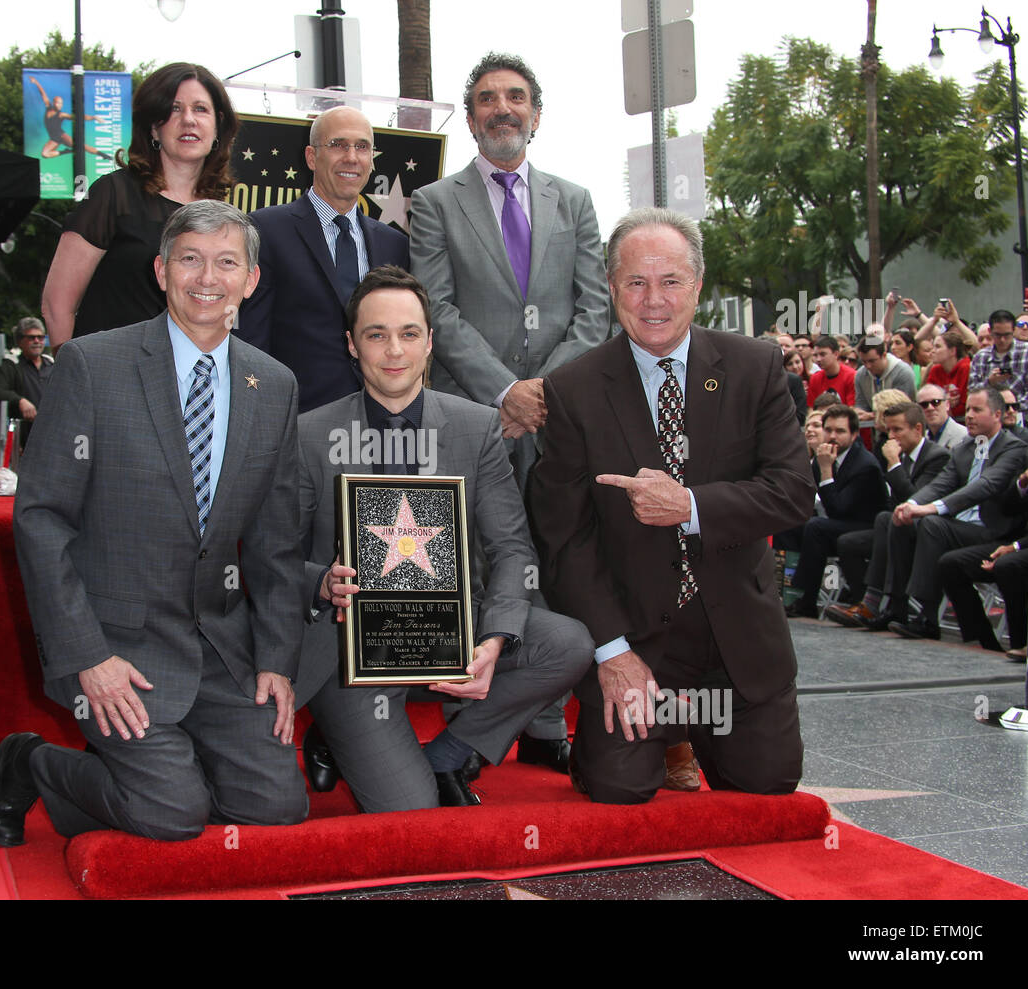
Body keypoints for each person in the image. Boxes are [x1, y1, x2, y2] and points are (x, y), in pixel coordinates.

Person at [0, 201, 307, 846]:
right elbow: (41, 519)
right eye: (189, 259)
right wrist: (88, 656)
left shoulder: (277, 384)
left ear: (251, 280)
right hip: (115, 645)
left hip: (219, 652)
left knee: (275, 809)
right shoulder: (92, 366)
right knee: (169, 815)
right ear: (161, 270)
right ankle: (31, 761)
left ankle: (165, 766)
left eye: (226, 262)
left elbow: (277, 540)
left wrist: (277, 660)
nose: (206, 277)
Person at [528, 207, 813, 805]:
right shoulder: (574, 390)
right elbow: (564, 540)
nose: (653, 300)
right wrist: (610, 652)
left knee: (768, 783)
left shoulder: (755, 367)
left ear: (698, 286)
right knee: (619, 788)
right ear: (611, 289)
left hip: (736, 640)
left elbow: (792, 491)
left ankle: (687, 733)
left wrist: (689, 505)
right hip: (637, 641)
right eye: (635, 282)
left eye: (670, 281)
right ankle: (645, 739)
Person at [293, 266, 594, 810]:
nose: (394, 350)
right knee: (411, 811)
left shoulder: (476, 427)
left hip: (453, 624)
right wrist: (321, 582)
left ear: (430, 342)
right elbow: (273, 557)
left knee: (567, 643)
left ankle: (453, 751)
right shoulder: (309, 435)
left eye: (409, 333)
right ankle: (336, 733)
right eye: (375, 334)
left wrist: (495, 639)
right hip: (348, 650)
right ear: (351, 345)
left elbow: (512, 549)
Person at [409, 51, 610, 485]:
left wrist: (540, 394)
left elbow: (595, 309)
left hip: (561, 420)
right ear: (470, 120)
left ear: (535, 115)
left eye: (516, 97)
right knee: (472, 551)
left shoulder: (575, 203)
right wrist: (506, 391)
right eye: (487, 99)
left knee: (562, 549)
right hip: (473, 417)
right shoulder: (434, 203)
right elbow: (436, 311)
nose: (502, 108)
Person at [42, 63, 238, 348]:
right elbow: (56, 304)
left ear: (218, 125)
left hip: (189, 383)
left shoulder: (225, 215)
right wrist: (73, 382)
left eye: (200, 109)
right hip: (111, 377)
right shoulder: (113, 194)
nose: (188, 120)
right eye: (173, 109)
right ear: (153, 128)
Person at [237, 105, 409, 412]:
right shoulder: (265, 230)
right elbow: (251, 341)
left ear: (372, 160)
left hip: (380, 422)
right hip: (297, 419)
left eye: (362, 147)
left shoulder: (395, 244)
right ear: (311, 157)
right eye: (338, 145)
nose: (351, 157)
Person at [882, 387, 1027, 640]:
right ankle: (897, 607)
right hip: (961, 527)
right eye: (968, 409)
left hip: (992, 530)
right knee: (898, 519)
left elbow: (985, 486)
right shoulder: (964, 448)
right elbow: (941, 484)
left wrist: (929, 508)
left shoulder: (1013, 448)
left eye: (977, 410)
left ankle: (927, 616)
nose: (968, 415)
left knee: (932, 523)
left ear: (997, 414)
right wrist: (912, 503)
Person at [826, 401, 949, 625]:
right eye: (889, 429)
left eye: (898, 429)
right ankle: (866, 600)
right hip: (896, 526)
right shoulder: (898, 453)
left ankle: (877, 603)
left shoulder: (936, 457)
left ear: (918, 429)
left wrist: (893, 463)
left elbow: (918, 499)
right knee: (849, 542)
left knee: (886, 520)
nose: (891, 436)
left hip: (927, 529)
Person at [775, 404, 886, 619]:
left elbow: (839, 509)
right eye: (829, 429)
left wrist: (826, 470)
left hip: (866, 526)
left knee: (816, 528)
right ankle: (786, 593)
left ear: (854, 435)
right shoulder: (823, 457)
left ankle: (806, 599)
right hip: (836, 524)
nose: (833, 436)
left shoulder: (865, 465)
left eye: (840, 431)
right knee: (788, 525)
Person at [938, 456, 1028, 654]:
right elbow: (1008, 509)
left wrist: (1015, 547)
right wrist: (1022, 484)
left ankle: (1021, 644)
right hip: (1017, 539)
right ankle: (983, 641)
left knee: (1008, 565)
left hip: (1021, 546)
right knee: (952, 564)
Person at [0, 317, 54, 453]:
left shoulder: (52, 364)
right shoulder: (11, 365)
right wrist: (19, 401)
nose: (37, 341)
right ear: (19, 341)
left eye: (40, 337)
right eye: (31, 337)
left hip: (51, 435)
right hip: (22, 440)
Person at [27, 75, 113, 161]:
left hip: (61, 136)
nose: (60, 105)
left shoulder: (61, 115)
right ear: (54, 103)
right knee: (45, 154)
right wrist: (36, 82)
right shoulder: (48, 107)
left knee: (82, 147)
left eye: (61, 104)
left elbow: (79, 117)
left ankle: (104, 155)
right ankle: (66, 151)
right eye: (58, 103)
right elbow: (43, 94)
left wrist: (94, 117)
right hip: (54, 139)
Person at [968, 310, 1028, 417]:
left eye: (1007, 335)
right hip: (989, 417)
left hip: (1023, 416)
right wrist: (989, 382)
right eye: (998, 335)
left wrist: (1011, 409)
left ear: (1014, 330)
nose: (1002, 340)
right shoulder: (981, 357)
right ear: (990, 331)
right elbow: (972, 393)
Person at [854, 330, 916, 427]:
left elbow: (902, 409)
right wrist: (859, 412)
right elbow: (861, 403)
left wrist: (872, 415)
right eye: (864, 362)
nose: (868, 366)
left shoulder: (903, 373)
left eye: (872, 361)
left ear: (884, 355)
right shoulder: (860, 374)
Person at [924, 329, 971, 420]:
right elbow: (927, 401)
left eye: (937, 347)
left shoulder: (966, 368)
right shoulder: (935, 370)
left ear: (952, 351)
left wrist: (941, 404)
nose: (932, 351)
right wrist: (946, 402)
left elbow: (964, 407)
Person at [806, 334, 856, 407]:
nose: (818, 359)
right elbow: (811, 408)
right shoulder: (815, 378)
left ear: (836, 354)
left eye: (823, 354)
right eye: (815, 355)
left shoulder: (851, 376)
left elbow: (852, 408)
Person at [917, 382, 968, 449]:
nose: (930, 408)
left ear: (947, 405)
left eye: (936, 402)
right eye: (924, 404)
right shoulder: (920, 440)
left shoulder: (964, 437)